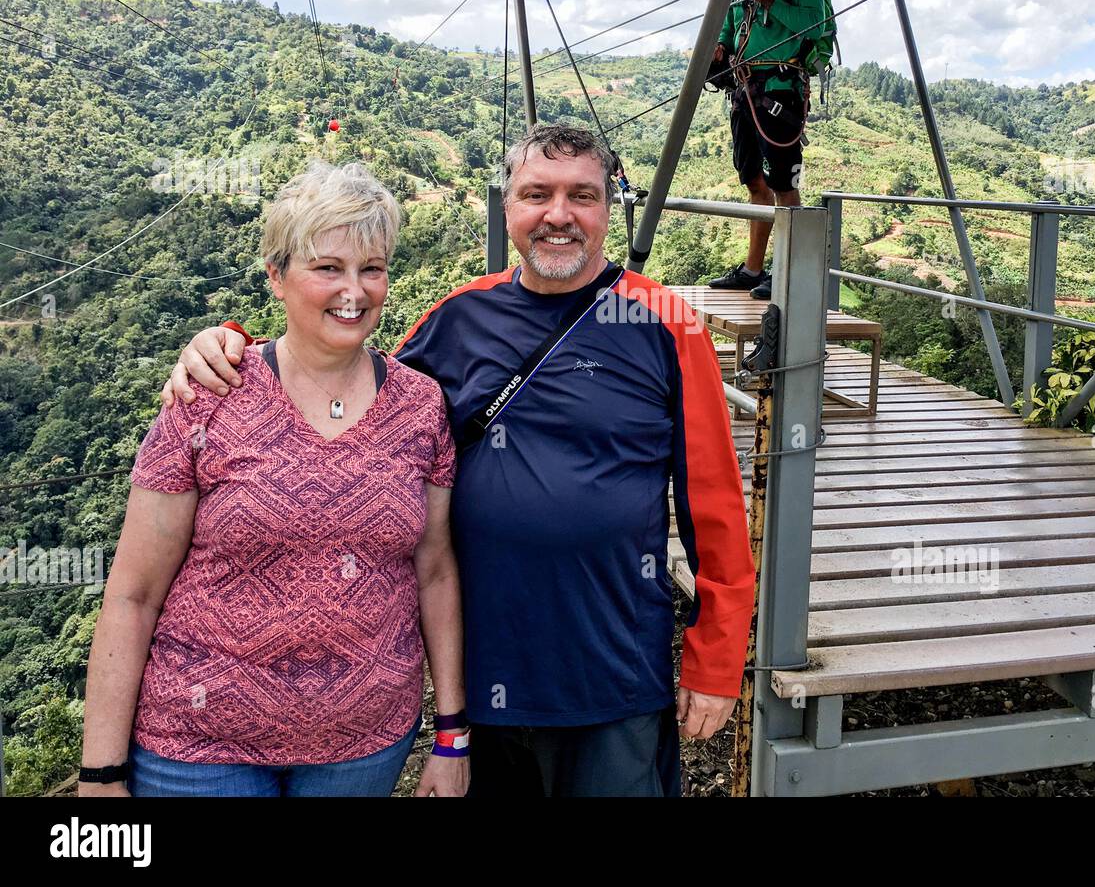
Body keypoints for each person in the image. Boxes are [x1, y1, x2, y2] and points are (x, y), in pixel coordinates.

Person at [161, 126, 755, 797]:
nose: (558, 214)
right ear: (508, 208)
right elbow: (345, 376)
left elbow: (715, 506)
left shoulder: (669, 326)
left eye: (580, 195)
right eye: (537, 194)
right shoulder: (461, 317)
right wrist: (234, 345)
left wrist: (716, 661)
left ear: (606, 208)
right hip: (486, 676)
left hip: (613, 675)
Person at [80, 161, 468, 798]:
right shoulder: (210, 392)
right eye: (327, 267)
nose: (354, 290)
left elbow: (434, 570)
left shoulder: (420, 406)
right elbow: (132, 595)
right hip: (199, 751)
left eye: (371, 268)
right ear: (276, 276)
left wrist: (452, 735)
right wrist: (100, 775)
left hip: (364, 748)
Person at [708, 0, 826, 300]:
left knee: (782, 184)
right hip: (744, 89)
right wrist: (719, 47)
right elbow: (731, 22)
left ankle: (787, 271)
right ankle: (753, 269)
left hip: (779, 87)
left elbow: (816, 26)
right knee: (754, 181)